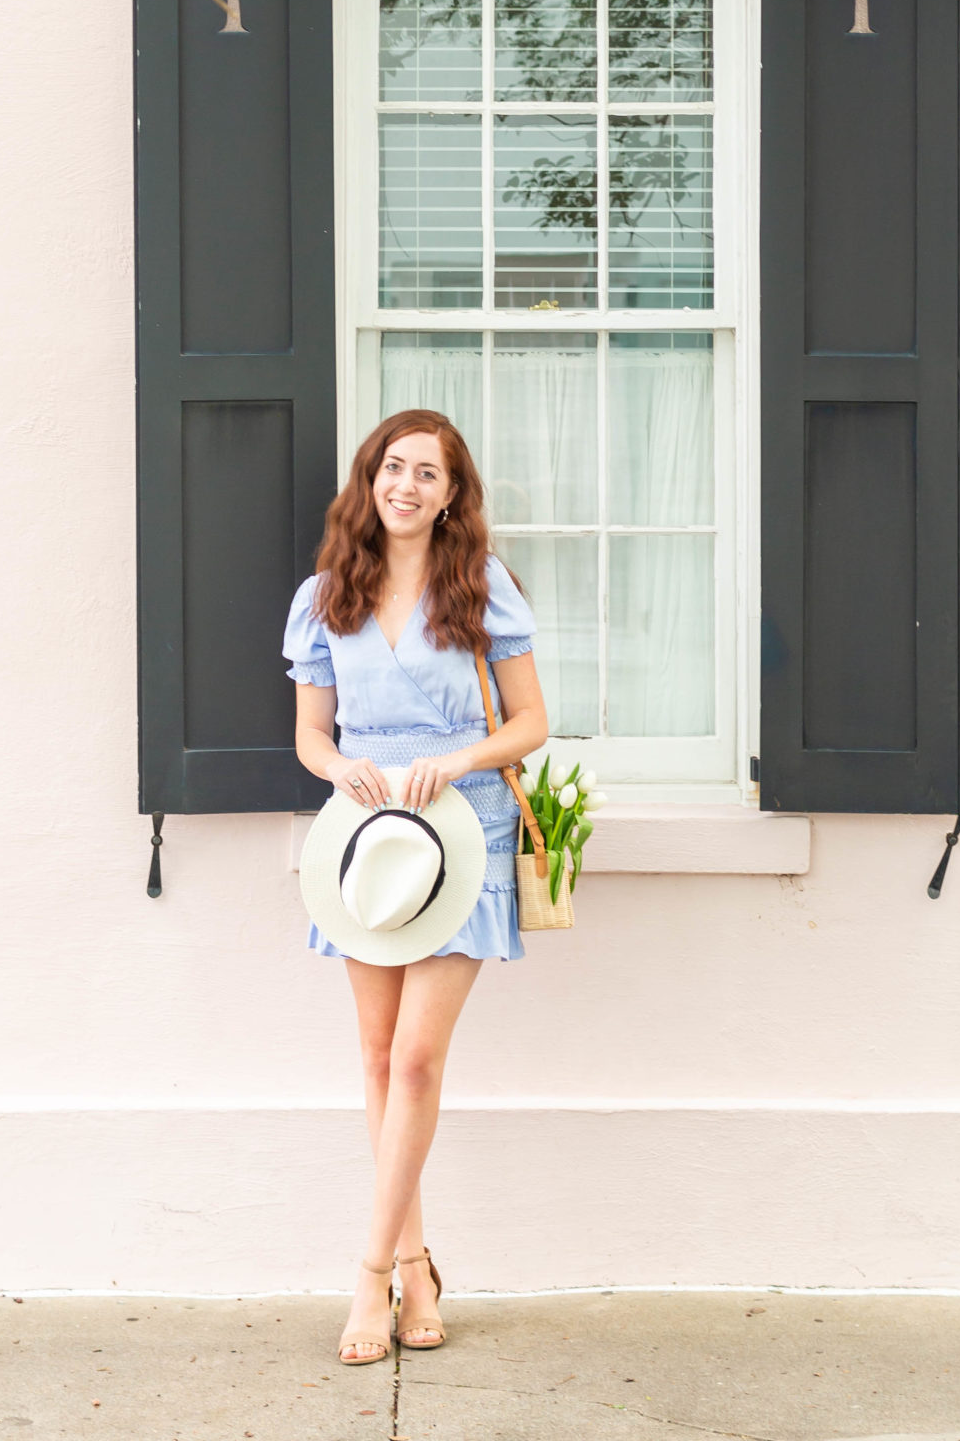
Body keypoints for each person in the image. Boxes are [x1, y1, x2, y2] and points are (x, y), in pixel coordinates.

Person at [283, 409, 549, 1368]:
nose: (405, 485)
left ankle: (369, 1279)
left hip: (461, 830)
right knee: (374, 1054)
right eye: (392, 468)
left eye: (426, 475)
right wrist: (336, 770)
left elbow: (530, 724)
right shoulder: (325, 596)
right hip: (367, 835)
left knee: (418, 1062)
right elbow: (312, 734)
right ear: (370, 480)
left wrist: (457, 758)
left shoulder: (481, 587)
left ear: (450, 497)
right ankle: (417, 1263)